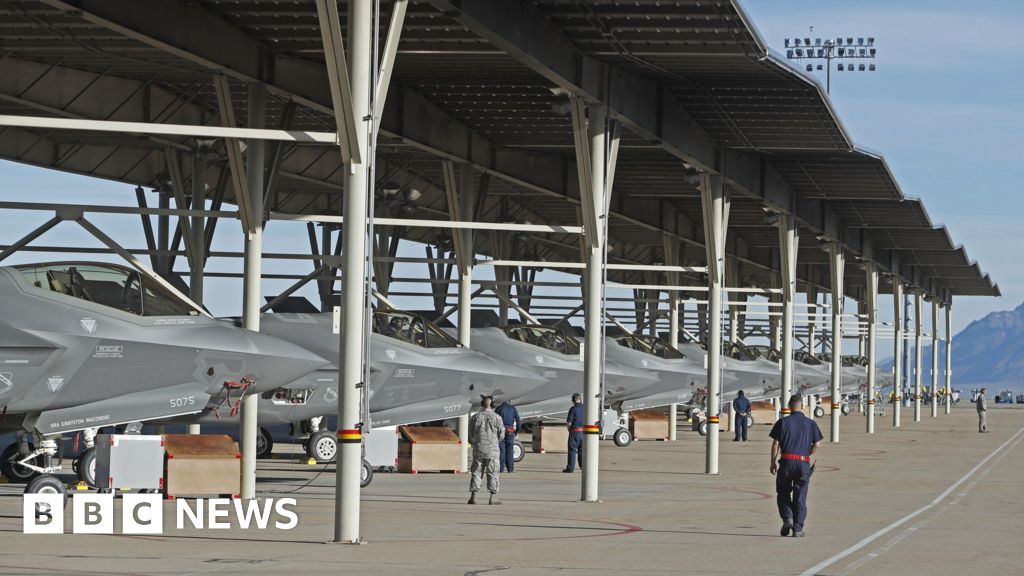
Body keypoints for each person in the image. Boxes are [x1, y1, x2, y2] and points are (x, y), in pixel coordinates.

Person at [769, 394, 823, 537]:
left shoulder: (782, 422)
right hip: (802, 462)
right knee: (800, 495)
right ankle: (798, 527)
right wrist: (806, 455)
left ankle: (787, 518)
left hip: (786, 461)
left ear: (789, 406)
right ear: (803, 406)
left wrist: (773, 462)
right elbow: (817, 444)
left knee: (783, 492)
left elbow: (775, 444)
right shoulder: (811, 423)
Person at [468, 396, 505, 505]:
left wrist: (476, 442)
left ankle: (473, 497)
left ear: (481, 404)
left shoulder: (475, 417)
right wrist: (494, 442)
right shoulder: (497, 418)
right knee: (493, 472)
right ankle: (492, 498)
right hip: (492, 450)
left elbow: (470, 434)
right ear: (493, 404)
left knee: (476, 472)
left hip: (478, 449)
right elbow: (502, 435)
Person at [495, 399, 521, 473]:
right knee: (510, 450)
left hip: (501, 431)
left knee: (501, 450)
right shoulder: (513, 408)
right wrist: (516, 431)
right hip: (510, 431)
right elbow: (518, 421)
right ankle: (510, 469)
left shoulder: (498, 408)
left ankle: (500, 468)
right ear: (509, 401)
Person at [563, 393, 584, 473]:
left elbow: (569, 422)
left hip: (575, 432)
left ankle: (570, 468)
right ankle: (583, 467)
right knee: (581, 451)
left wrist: (569, 430)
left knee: (572, 450)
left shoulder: (573, 409)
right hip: (584, 432)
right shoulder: (586, 408)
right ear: (580, 399)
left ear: (573, 400)